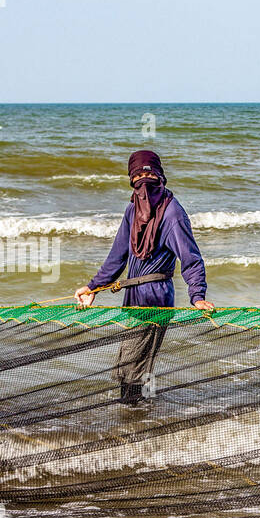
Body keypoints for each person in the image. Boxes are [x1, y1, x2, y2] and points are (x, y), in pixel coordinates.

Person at [75, 150, 214, 405]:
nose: (143, 180)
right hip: (133, 299)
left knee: (133, 368)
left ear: (160, 176)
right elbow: (117, 256)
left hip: (156, 300)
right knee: (130, 366)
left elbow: (190, 256)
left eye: (148, 173)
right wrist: (92, 287)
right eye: (137, 175)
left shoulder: (173, 213)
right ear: (131, 179)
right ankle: (139, 417)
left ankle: (135, 423)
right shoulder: (132, 210)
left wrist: (197, 295)